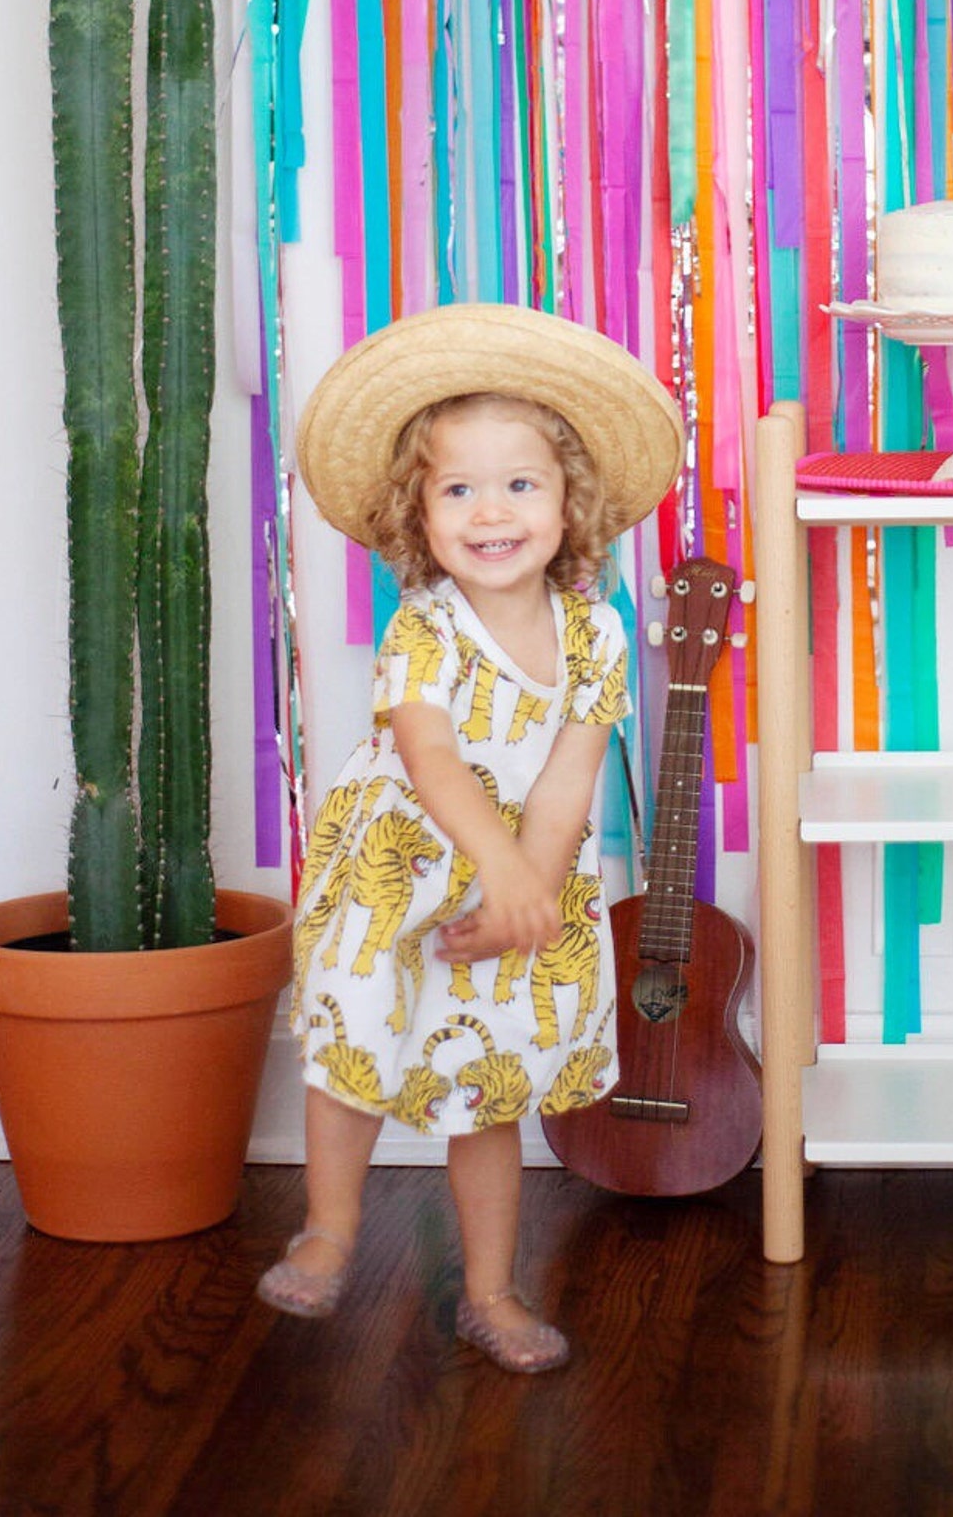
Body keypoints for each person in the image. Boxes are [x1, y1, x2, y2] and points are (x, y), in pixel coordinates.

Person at [257, 304, 683, 1371]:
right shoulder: (428, 626)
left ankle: (489, 1293)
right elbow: (430, 755)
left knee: (487, 1088)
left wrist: (522, 895)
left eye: (520, 484)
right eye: (459, 489)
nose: (490, 511)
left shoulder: (595, 633)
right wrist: (487, 864)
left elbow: (569, 782)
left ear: (569, 501)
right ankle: (331, 1228)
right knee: (355, 1051)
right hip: (399, 875)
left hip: (519, 886)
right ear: (421, 514)